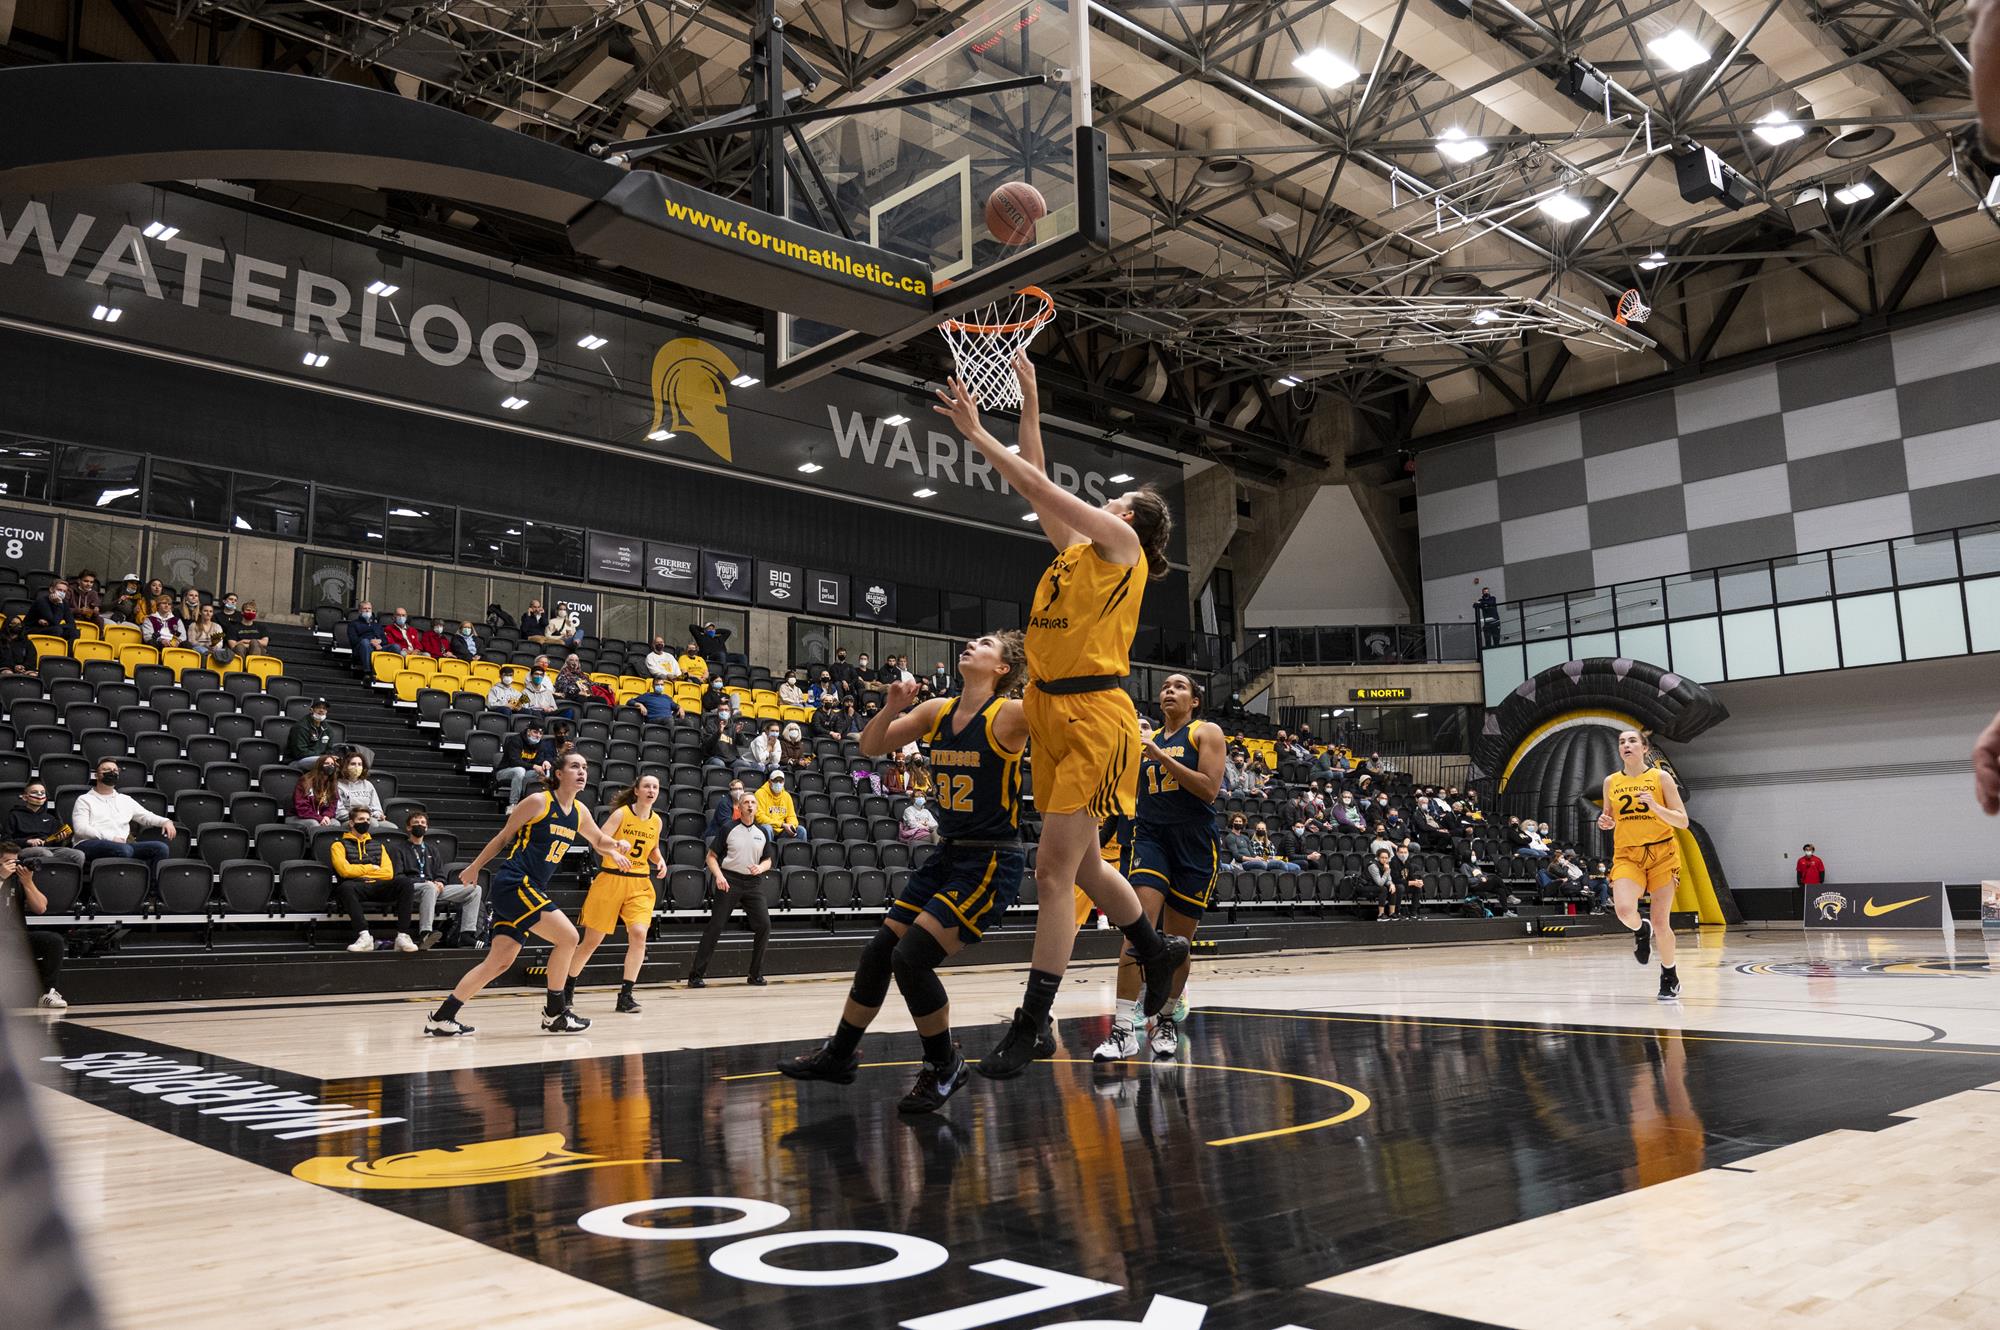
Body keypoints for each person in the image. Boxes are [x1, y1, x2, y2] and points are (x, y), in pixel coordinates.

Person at [932, 355, 1186, 1078]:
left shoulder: (1122, 547)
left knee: (1054, 876)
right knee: (1091, 864)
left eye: (1118, 497)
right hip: (1048, 708)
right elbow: (1039, 483)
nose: (1106, 502)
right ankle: (1156, 946)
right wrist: (1031, 405)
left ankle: (1033, 1022)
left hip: (1093, 714)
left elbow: (1038, 483)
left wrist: (979, 437)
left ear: (1131, 518)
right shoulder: (1078, 551)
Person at [778, 632, 1030, 1113]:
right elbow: (872, 746)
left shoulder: (1011, 713)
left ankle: (944, 1065)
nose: (972, 645)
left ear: (1002, 668)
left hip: (991, 857)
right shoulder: (937, 709)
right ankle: (840, 1053)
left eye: (985, 643)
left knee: (911, 958)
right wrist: (891, 704)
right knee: (879, 953)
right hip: (948, 853)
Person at [424, 752, 634, 1036]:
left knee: (499, 961)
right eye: (575, 766)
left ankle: (442, 1017)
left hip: (527, 888)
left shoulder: (580, 811)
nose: (582, 771)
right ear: (559, 774)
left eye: (585, 767)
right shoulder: (539, 802)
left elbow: (597, 840)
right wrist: (474, 867)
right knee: (569, 937)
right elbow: (503, 838)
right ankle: (555, 1012)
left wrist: (615, 846)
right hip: (515, 883)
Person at [1094, 673, 1223, 1063]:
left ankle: (1165, 1019)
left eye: (1180, 686)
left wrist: (1160, 755)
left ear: (1195, 701)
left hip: (1194, 844)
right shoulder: (1141, 743)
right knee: (1138, 932)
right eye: (1166, 686)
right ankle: (1121, 1030)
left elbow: (1208, 790)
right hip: (1151, 841)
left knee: (1177, 944)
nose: (1170, 690)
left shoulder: (1205, 732)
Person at [1598, 728, 1692, 1001]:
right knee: (1625, 911)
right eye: (1622, 742)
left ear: (1645, 749)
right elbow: (1610, 817)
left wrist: (1655, 807)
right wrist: (1606, 822)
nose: (1626, 745)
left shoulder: (1660, 778)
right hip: (1628, 854)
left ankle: (1669, 975)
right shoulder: (1610, 782)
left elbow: (1682, 821)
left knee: (1662, 921)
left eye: (1631, 741)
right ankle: (1641, 929)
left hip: (1662, 854)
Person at [565, 775, 668, 1015]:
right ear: (637, 790)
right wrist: (615, 854)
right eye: (647, 786)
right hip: (610, 880)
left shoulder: (657, 821)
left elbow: (652, 849)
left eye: (655, 787)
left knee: (639, 934)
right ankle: (567, 986)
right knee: (592, 941)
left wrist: (660, 860)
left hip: (640, 883)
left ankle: (626, 995)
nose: (651, 790)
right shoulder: (622, 814)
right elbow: (599, 843)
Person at [688, 789, 773, 989]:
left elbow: (768, 860)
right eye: (746, 802)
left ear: (756, 806)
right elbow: (711, 857)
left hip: (753, 883)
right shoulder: (728, 828)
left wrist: (760, 868)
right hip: (730, 880)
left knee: (764, 925)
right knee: (715, 926)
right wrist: (719, 876)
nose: (750, 805)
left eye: (753, 802)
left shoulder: (762, 832)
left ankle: (755, 975)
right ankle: (695, 975)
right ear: (739, 807)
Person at [330, 805, 419, 954]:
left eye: (367, 819)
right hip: (356, 887)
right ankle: (364, 937)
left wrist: (359, 871)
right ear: (351, 823)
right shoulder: (338, 845)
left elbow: (388, 873)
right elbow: (344, 871)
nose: (365, 822)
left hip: (379, 887)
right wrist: (371, 868)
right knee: (345, 887)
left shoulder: (378, 846)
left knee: (405, 883)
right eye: (360, 819)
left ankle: (403, 935)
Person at [392, 809, 482, 949]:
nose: (420, 825)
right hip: (412, 889)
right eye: (416, 823)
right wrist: (424, 882)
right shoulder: (399, 849)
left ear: (427, 827)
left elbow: (440, 873)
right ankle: (425, 933)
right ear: (408, 827)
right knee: (428, 887)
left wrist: (440, 882)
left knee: (474, 889)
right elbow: (398, 876)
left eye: (423, 823)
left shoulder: (432, 849)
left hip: (434, 888)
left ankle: (466, 934)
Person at [72, 761, 175, 879]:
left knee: (160, 848)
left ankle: (150, 890)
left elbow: (146, 816)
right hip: (88, 843)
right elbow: (81, 829)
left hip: (122, 845)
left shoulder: (125, 800)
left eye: (115, 770)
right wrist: (111, 838)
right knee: (125, 849)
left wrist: (166, 821)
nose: (112, 772)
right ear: (96, 775)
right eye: (106, 770)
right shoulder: (84, 800)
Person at [1, 842, 67, 1008]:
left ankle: (47, 993)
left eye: (16, 861)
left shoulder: (18, 880)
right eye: (8, 862)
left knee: (53, 941)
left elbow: (41, 908)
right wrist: (1, 878)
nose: (14, 866)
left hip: (15, 936)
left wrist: (28, 882)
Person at [5, 784, 82, 872]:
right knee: (45, 853)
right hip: (24, 849)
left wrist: (60, 840)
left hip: (48, 848)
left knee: (78, 854)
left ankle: (67, 881)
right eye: (34, 792)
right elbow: (6, 841)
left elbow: (55, 845)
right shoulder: (14, 815)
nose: (39, 795)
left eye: (42, 792)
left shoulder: (50, 818)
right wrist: (27, 841)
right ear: (25, 797)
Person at [496, 719, 554, 807]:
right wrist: (534, 766)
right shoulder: (515, 740)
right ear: (528, 731)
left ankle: (537, 805)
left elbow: (539, 761)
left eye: (540, 733)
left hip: (525, 772)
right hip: (504, 771)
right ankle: (513, 804)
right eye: (535, 732)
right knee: (520, 770)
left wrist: (545, 762)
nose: (538, 736)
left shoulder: (540, 744)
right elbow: (514, 761)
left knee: (543, 772)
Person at [334, 752, 392, 834]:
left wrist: (376, 815)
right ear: (345, 766)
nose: (357, 767)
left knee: (393, 828)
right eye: (353, 764)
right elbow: (339, 812)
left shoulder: (368, 785)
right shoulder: (338, 785)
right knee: (373, 823)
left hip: (369, 818)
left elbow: (377, 809)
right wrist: (359, 816)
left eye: (359, 764)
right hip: (349, 820)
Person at [290, 755, 342, 832]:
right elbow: (302, 808)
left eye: (332, 764)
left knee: (336, 823)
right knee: (314, 824)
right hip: (298, 817)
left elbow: (332, 806)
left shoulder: (332, 784)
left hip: (321, 817)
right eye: (326, 763)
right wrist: (319, 818)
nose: (330, 766)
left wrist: (327, 816)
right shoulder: (305, 781)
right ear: (319, 765)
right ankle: (317, 844)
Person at [754, 771, 805, 840]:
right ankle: (769, 850)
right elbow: (759, 817)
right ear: (769, 782)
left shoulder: (786, 796)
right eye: (775, 781)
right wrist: (782, 824)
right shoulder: (760, 794)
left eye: (781, 781)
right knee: (767, 828)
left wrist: (791, 825)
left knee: (801, 830)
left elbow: (791, 816)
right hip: (768, 828)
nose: (778, 783)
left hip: (782, 830)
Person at [26, 578, 77, 644]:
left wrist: (60, 625)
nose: (62, 593)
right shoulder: (42, 601)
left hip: (49, 628)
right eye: (59, 590)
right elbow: (55, 622)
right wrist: (59, 604)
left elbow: (72, 624)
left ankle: (68, 653)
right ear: (51, 589)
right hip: (32, 629)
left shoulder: (64, 603)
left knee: (74, 632)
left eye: (64, 591)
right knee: (56, 630)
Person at [217, 592, 268, 657]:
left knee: (254, 643)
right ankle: (242, 666)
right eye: (248, 610)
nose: (251, 612)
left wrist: (244, 641)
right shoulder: (233, 627)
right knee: (240, 647)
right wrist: (243, 644)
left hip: (259, 652)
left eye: (253, 611)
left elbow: (265, 643)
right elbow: (232, 645)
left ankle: (253, 664)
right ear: (242, 612)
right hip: (239, 651)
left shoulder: (261, 627)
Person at [702, 701, 745, 769]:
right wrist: (718, 732)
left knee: (745, 765)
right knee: (720, 764)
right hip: (714, 757)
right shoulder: (711, 726)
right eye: (721, 710)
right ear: (717, 712)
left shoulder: (734, 726)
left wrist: (738, 733)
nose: (724, 712)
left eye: (726, 710)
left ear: (730, 712)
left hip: (731, 760)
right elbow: (707, 745)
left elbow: (742, 743)